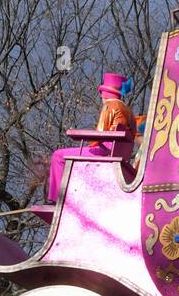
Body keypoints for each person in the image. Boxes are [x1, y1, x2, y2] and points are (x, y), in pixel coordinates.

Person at [47, 73, 136, 202]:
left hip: (104, 151)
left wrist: (78, 135)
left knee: (58, 156)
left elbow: (98, 136)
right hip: (118, 154)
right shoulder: (128, 111)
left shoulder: (110, 106)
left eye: (102, 92)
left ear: (106, 93)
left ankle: (57, 198)